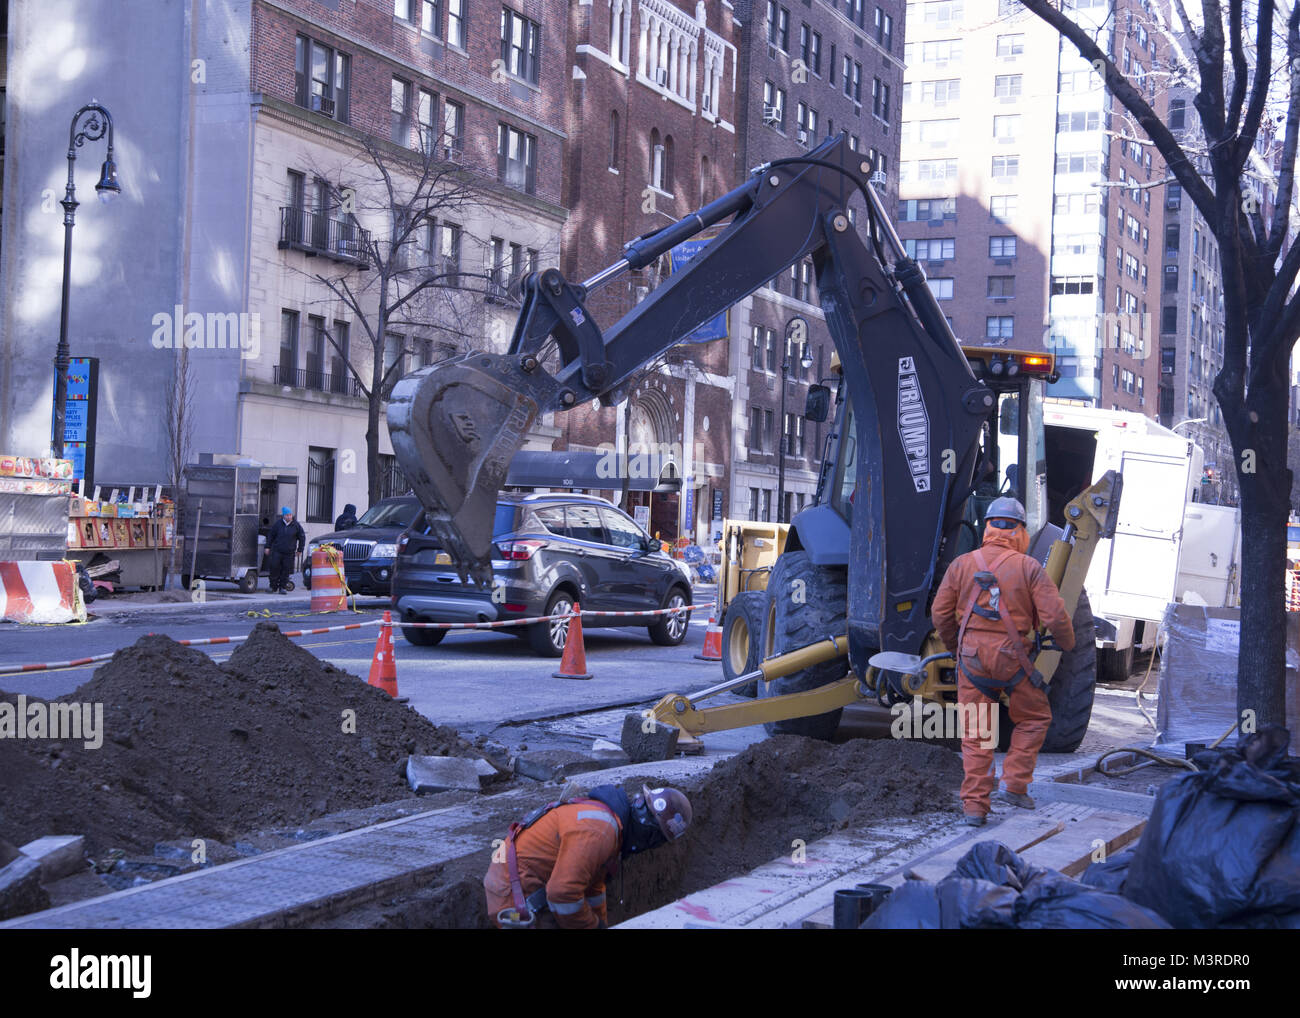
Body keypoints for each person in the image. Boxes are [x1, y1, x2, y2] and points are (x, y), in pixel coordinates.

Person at [930, 496, 1076, 827]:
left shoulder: (962, 564)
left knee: (977, 733)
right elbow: (1054, 615)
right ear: (1020, 531)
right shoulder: (1029, 569)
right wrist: (1068, 644)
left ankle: (975, 808)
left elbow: (940, 614)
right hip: (1015, 660)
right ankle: (1014, 785)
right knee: (1035, 718)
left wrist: (957, 647)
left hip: (972, 661)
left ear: (988, 527)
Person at [484, 783, 692, 929]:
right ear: (650, 833)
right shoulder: (600, 831)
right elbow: (562, 894)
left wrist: (600, 923)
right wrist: (591, 926)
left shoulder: (611, 827)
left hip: (526, 885)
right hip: (513, 899)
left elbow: (593, 888)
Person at [266, 506, 305, 594]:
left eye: (290, 515)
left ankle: (282, 587)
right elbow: (271, 536)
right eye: (287, 515)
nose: (289, 517)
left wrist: (300, 549)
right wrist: (267, 547)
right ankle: (272, 586)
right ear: (283, 516)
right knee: (274, 568)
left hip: (289, 552)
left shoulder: (296, 525)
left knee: (286, 570)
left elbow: (302, 537)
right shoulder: (278, 524)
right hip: (277, 550)